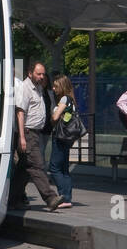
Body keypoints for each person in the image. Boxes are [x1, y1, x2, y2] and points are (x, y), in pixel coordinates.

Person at [8, 59, 62, 212]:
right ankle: (50, 198)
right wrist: (22, 137)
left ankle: (12, 199)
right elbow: (20, 112)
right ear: (30, 73)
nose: (41, 77)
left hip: (35, 132)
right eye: (38, 74)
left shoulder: (37, 88)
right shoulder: (25, 88)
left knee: (25, 168)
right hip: (28, 132)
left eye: (43, 74)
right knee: (38, 165)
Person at [47, 74, 78, 209]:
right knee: (64, 169)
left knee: (54, 168)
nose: (53, 89)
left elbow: (55, 116)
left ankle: (63, 196)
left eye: (56, 86)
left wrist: (52, 118)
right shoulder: (72, 99)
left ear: (62, 86)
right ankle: (68, 198)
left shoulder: (64, 99)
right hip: (67, 138)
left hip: (60, 137)